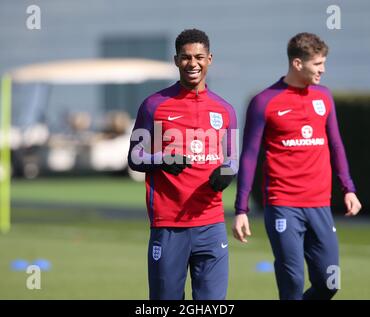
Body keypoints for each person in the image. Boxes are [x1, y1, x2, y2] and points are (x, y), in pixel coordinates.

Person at [233, 32, 361, 300]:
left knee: (330, 282)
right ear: (297, 63)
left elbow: (335, 145)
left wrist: (348, 188)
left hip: (320, 205)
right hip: (283, 204)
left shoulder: (324, 97)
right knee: (292, 280)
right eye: (318, 64)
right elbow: (249, 155)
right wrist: (241, 209)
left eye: (324, 63)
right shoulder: (264, 101)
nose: (323, 70)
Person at [128, 28, 237, 300]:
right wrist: (162, 160)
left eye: (199, 57)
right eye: (186, 57)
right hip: (169, 225)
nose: (193, 63)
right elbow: (134, 157)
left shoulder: (225, 110)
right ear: (176, 60)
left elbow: (233, 158)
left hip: (212, 225)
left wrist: (227, 172)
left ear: (210, 59)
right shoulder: (153, 105)